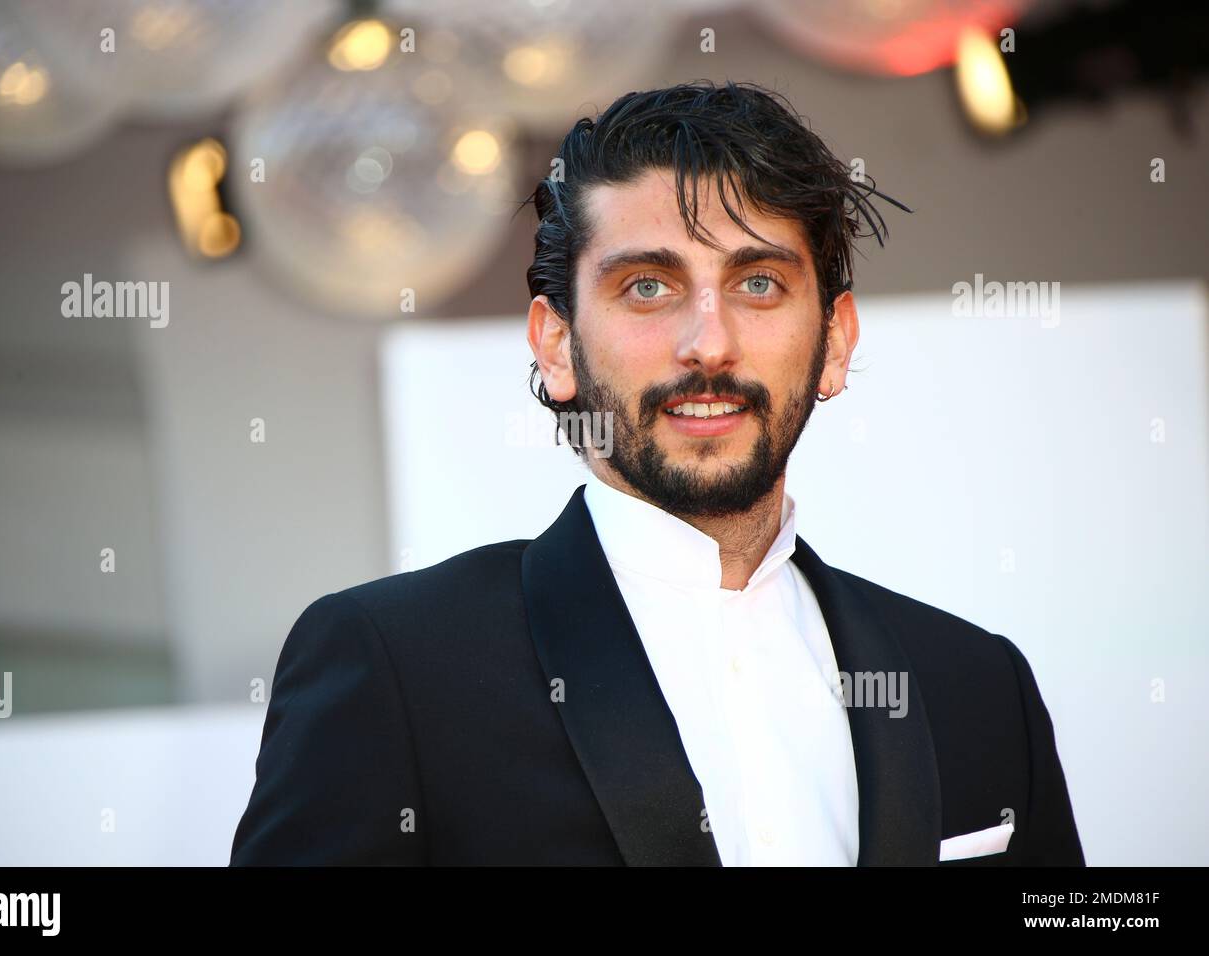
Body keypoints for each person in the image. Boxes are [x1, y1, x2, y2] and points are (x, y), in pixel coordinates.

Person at [230, 80, 1084, 866]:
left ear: (835, 342)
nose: (708, 342)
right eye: (647, 287)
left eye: (757, 282)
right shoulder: (397, 669)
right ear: (556, 345)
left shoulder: (975, 682)